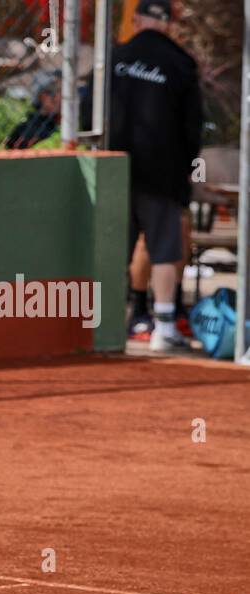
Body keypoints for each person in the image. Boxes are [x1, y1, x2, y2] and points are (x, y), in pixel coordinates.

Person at [107, 0, 202, 352]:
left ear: (140, 20)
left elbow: (89, 108)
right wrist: (187, 169)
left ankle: (108, 325)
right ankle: (164, 326)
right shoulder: (179, 62)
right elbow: (192, 128)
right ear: (166, 23)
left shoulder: (116, 58)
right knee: (164, 247)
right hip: (162, 172)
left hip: (114, 168)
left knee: (115, 249)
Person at [6, 72, 60, 149]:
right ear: (42, 96)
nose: (58, 97)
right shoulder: (28, 128)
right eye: (53, 92)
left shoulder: (59, 122)